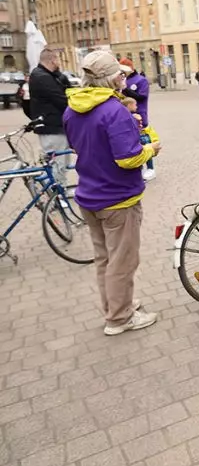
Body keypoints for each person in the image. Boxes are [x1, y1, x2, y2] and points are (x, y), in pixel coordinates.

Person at [63, 50, 159, 336]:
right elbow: (127, 158)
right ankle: (119, 318)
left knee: (105, 258)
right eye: (119, 74)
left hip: (89, 194)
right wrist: (149, 150)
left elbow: (78, 146)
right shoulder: (114, 110)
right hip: (118, 198)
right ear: (107, 79)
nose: (123, 78)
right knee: (123, 260)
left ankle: (118, 304)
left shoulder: (73, 108)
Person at [28, 47, 72, 183]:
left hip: (54, 125)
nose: (59, 62)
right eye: (57, 59)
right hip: (51, 126)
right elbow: (61, 99)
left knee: (62, 161)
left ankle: (60, 191)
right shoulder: (42, 77)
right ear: (52, 60)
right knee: (57, 162)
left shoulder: (47, 75)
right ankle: (57, 196)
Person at [119, 58, 155, 181]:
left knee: (144, 140)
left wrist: (125, 89)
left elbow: (141, 97)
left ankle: (150, 168)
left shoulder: (141, 80)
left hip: (139, 115)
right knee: (132, 142)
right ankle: (138, 167)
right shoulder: (123, 80)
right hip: (125, 117)